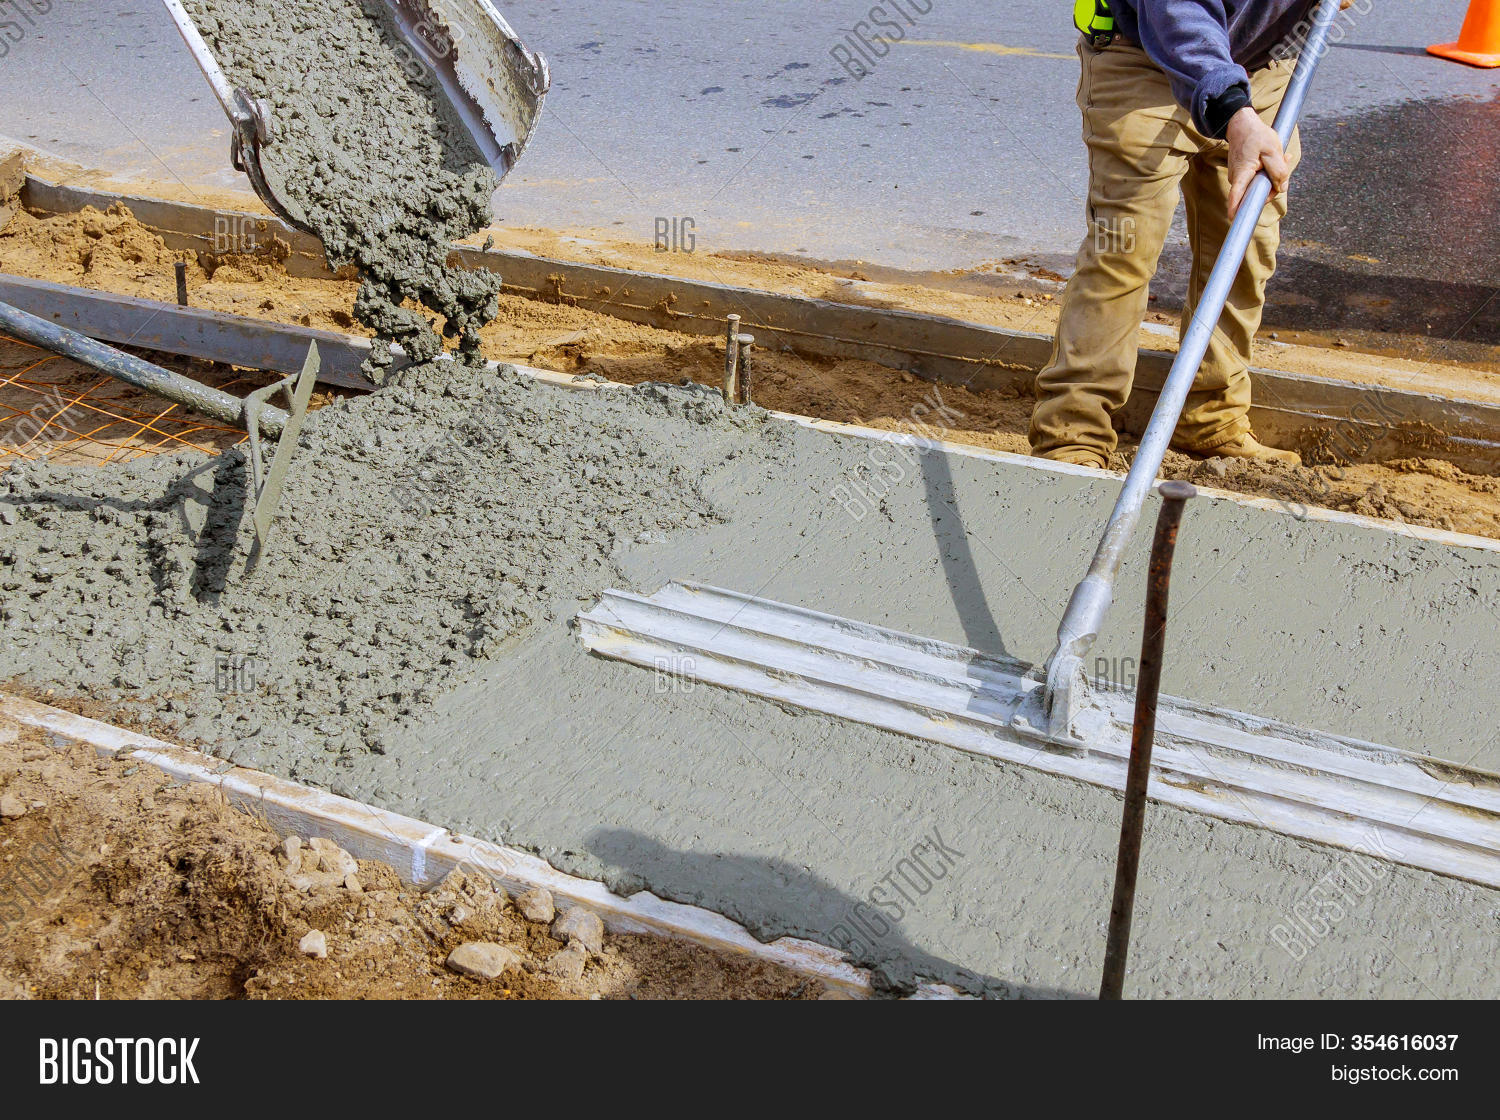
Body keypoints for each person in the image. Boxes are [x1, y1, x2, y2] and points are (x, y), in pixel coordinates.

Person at [1030, 0, 1343, 470]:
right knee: (1124, 248)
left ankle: (1211, 415)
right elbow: (1178, 15)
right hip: (1146, 57)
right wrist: (1235, 113)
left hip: (1263, 69)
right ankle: (1073, 433)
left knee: (1245, 247)